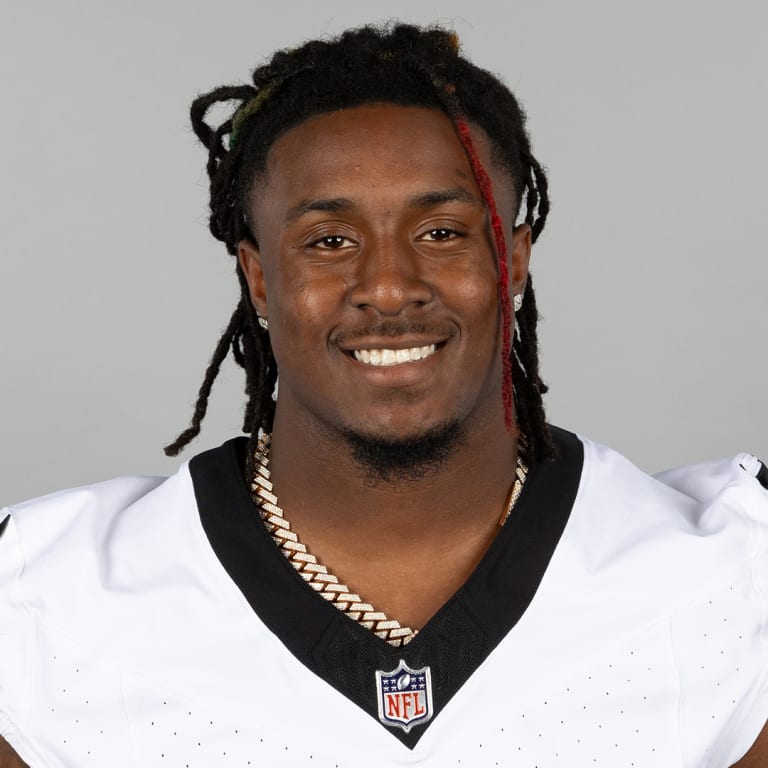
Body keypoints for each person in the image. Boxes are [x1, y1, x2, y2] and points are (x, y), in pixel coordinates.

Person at [1, 22, 766, 768]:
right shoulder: (42, 601)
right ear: (259, 277)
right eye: (330, 241)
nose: (390, 287)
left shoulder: (734, 576)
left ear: (514, 260)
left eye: (443, 233)